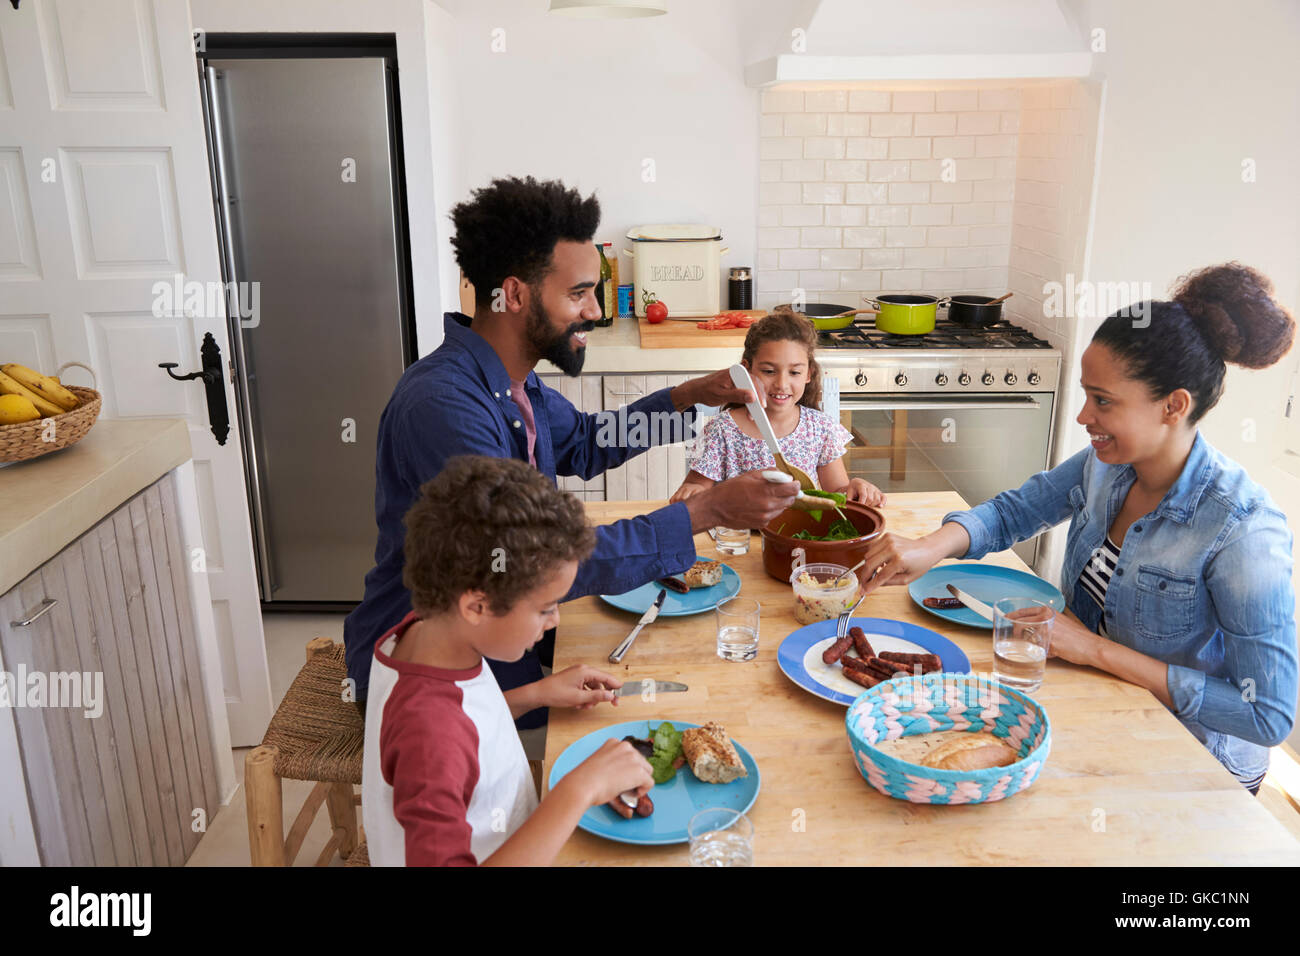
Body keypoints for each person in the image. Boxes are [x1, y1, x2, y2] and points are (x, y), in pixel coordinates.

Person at [343, 176, 798, 721]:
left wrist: (690, 396)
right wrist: (707, 511)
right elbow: (529, 562)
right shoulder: (444, 408)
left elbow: (587, 442)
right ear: (514, 294)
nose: (594, 311)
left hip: (501, 644)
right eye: (579, 293)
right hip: (434, 683)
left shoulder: (511, 380)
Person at [859, 263, 1298, 794]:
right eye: (1088, 394)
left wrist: (1090, 648)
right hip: (1098, 703)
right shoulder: (1108, 464)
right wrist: (929, 548)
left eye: (1103, 401)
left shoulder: (1243, 529)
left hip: (1193, 762)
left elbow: (1266, 716)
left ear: (1173, 405)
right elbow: (1017, 511)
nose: (1083, 415)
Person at [362, 455, 655, 866]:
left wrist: (534, 694)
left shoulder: (426, 637)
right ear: (477, 606)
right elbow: (443, 738)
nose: (555, 621)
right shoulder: (429, 736)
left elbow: (464, 723)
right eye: (545, 608)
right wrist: (577, 792)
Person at [669, 308, 886, 506]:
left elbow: (837, 493)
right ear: (747, 371)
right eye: (769, 371)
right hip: (741, 538)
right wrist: (691, 491)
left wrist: (855, 487)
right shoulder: (722, 429)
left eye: (794, 372)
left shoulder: (820, 428)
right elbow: (698, 487)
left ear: (808, 373)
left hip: (799, 539)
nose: (782, 384)